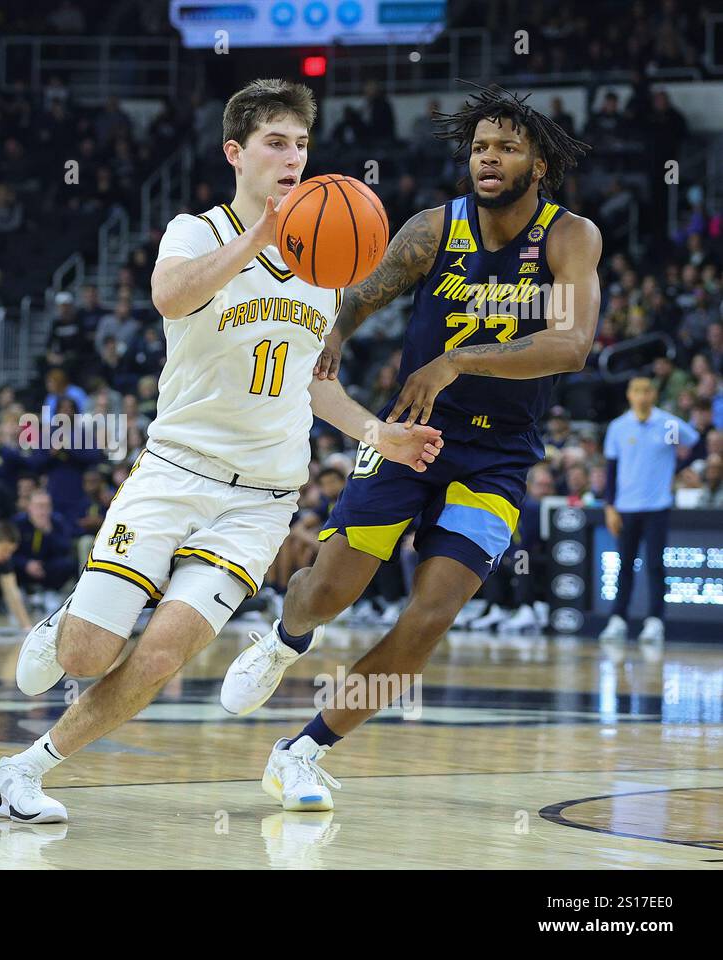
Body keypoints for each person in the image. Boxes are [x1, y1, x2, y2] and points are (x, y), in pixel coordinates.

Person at [0, 79, 444, 824]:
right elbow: (170, 297)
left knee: (164, 655)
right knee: (84, 658)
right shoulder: (195, 230)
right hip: (174, 472)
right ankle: (70, 613)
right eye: (275, 142)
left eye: (301, 143)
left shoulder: (327, 267)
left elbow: (312, 387)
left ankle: (25, 770)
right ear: (236, 152)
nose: (293, 157)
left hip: (261, 500)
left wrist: (377, 432)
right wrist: (258, 238)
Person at [219, 82, 601, 812]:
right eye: (480, 147)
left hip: (498, 457)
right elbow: (366, 290)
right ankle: (285, 638)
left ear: (539, 165)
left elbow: (572, 344)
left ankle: (304, 750)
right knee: (328, 590)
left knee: (428, 619)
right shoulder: (435, 229)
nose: (488, 158)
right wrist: (333, 335)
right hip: (408, 436)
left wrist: (458, 360)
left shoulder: (567, 237)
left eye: (506, 148)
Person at [598, 376, 698, 644]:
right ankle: (618, 619)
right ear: (629, 395)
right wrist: (610, 506)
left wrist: (676, 470)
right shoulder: (618, 428)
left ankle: (655, 621)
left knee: (655, 564)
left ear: (653, 395)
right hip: (626, 507)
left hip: (657, 506)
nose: (642, 395)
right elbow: (611, 470)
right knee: (624, 566)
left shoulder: (667, 424)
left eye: (647, 391)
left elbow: (692, 445)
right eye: (637, 391)